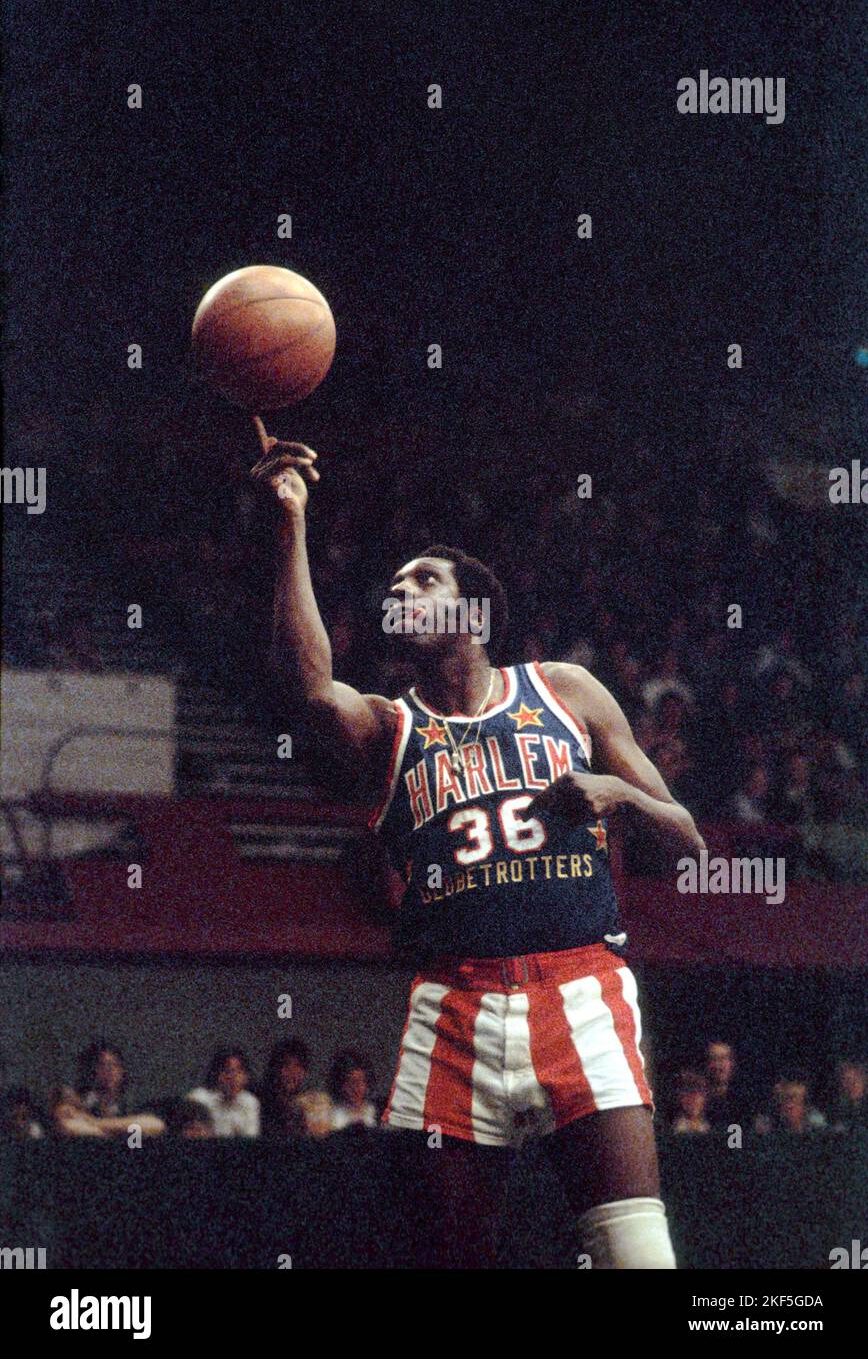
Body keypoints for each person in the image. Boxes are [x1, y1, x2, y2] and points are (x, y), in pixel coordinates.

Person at [250, 423, 706, 1270]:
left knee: (638, 1258)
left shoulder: (562, 690)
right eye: (394, 584)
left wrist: (615, 793)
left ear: (474, 610)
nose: (403, 589)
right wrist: (291, 520)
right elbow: (309, 686)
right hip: (450, 1007)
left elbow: (689, 840)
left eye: (424, 578)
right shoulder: (390, 726)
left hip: (580, 989)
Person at [260, 1038, 332, 1139]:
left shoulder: (309, 1102)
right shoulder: (262, 1103)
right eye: (287, 1065)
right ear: (276, 1068)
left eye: (298, 1066)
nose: (293, 1072)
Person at [188, 1048, 260, 1138]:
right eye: (227, 1071)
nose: (234, 1078)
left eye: (239, 1071)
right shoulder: (199, 1098)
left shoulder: (250, 1102)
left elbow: (251, 1142)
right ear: (217, 1074)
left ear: (246, 1076)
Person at [702, 1041, 753, 1132]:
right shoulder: (700, 1099)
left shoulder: (744, 1098)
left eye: (722, 1058)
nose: (718, 1065)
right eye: (713, 1059)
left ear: (731, 1063)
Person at [328, 1050, 378, 1131]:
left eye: (360, 1081)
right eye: (351, 1082)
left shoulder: (375, 1114)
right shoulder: (332, 1117)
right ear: (341, 1085)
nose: (356, 1088)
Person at [76, 1041, 127, 1118]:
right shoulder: (82, 1102)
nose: (109, 1070)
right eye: (103, 1065)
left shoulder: (129, 1104)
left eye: (114, 1064)